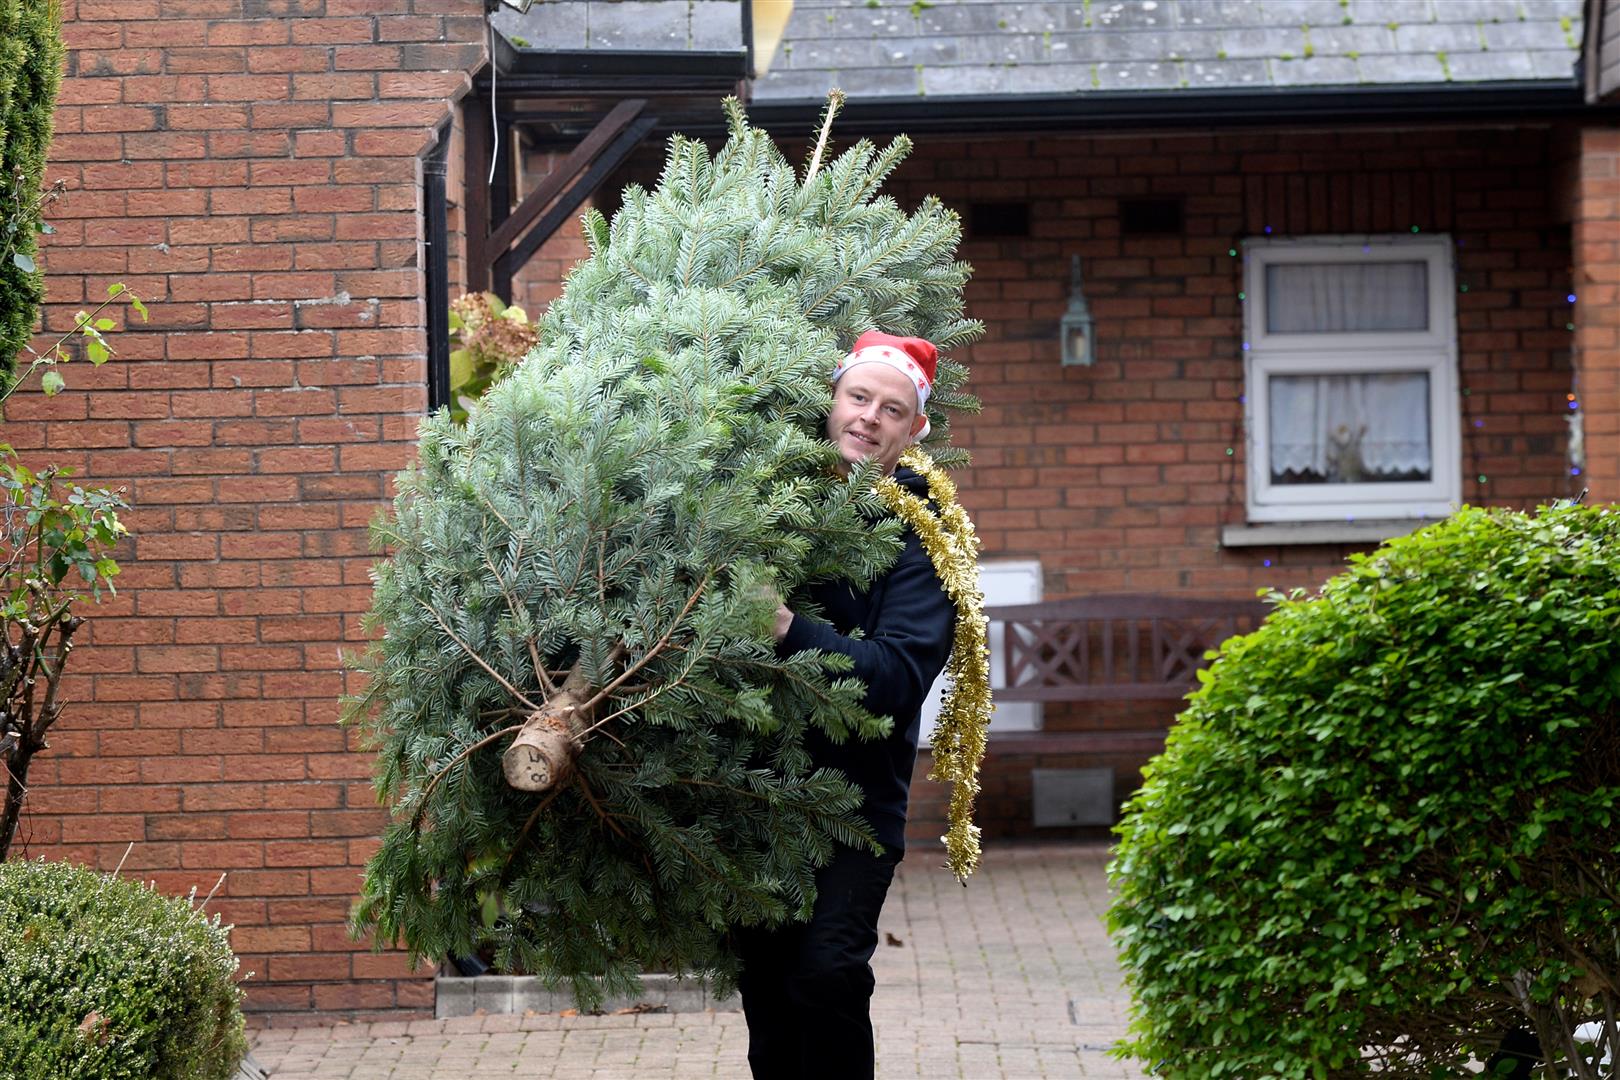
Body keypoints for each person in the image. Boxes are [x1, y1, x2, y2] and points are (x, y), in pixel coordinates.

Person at [735, 330, 958, 1080]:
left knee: (826, 974)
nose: (868, 417)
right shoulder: (771, 503)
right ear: (832, 402)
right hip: (755, 794)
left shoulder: (923, 535)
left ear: (915, 428)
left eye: (891, 409)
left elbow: (897, 675)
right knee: (766, 987)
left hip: (856, 807)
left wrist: (791, 631)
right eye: (858, 397)